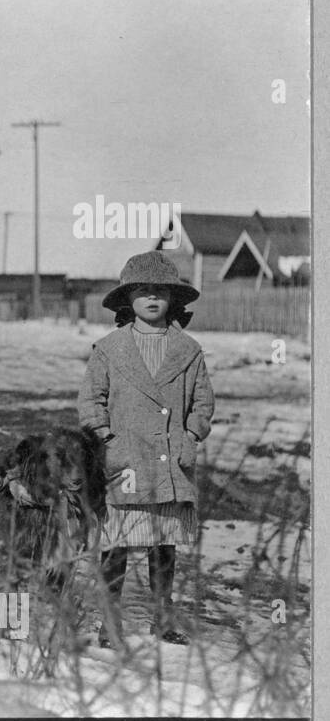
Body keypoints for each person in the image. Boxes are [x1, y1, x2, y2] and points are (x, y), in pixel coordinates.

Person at [78, 250, 215, 648]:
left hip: (169, 463)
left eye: (161, 291)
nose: (152, 298)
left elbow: (203, 402)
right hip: (125, 463)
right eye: (143, 291)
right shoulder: (109, 349)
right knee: (115, 547)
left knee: (163, 548)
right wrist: (104, 437)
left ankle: (162, 619)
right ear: (127, 300)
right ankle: (109, 623)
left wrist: (191, 434)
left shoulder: (188, 350)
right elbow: (91, 401)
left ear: (174, 299)